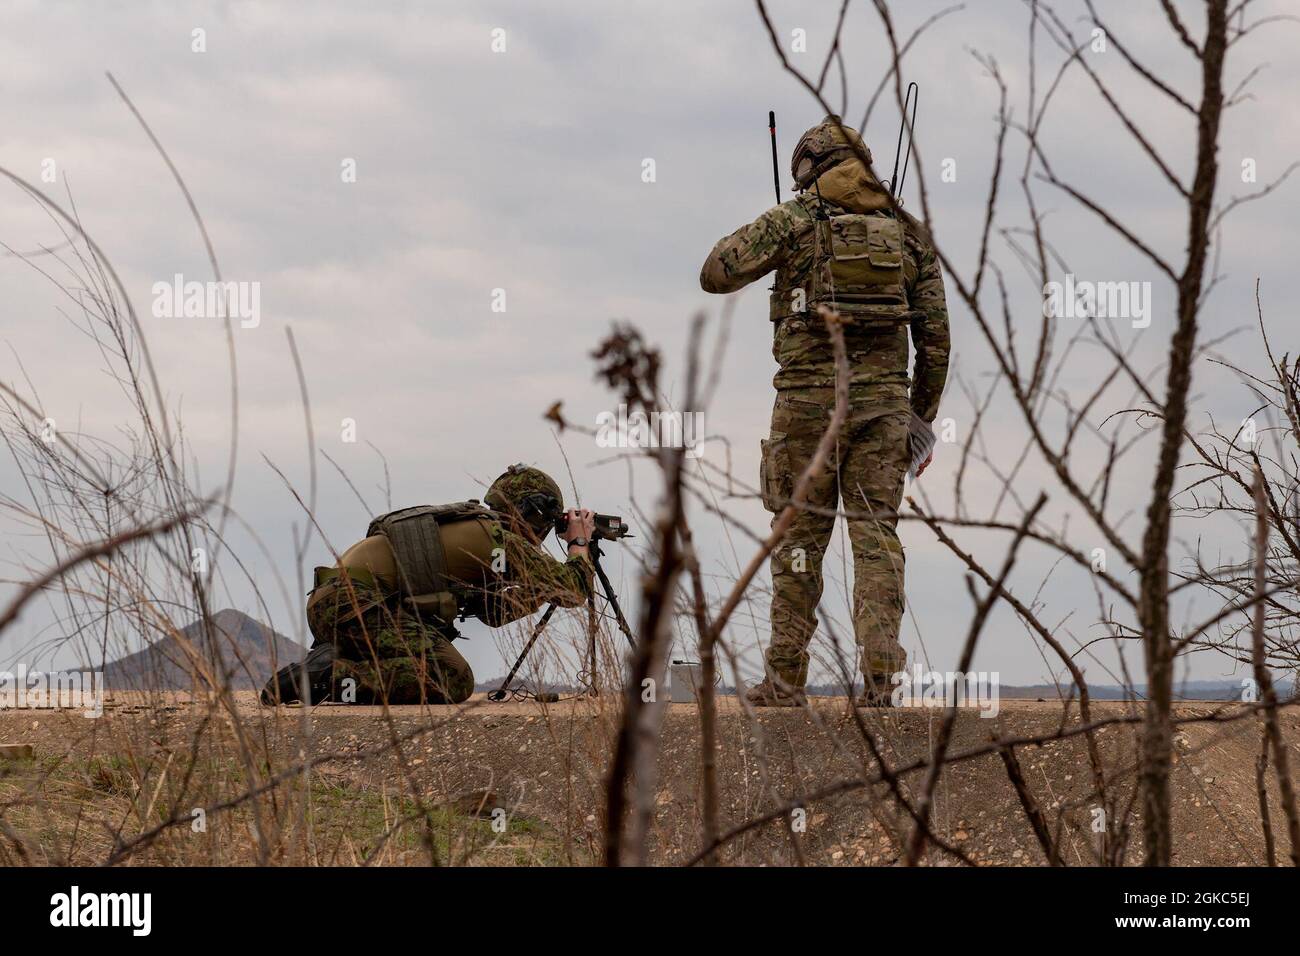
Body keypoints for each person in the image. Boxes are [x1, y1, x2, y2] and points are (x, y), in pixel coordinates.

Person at [699, 115, 950, 707]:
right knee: (876, 540)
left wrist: (780, 231)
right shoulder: (909, 234)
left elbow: (715, 272)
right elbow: (935, 342)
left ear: (811, 165)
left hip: (807, 409)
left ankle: (785, 680)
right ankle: (882, 682)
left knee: (798, 540)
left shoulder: (795, 220)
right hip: (885, 412)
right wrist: (918, 421)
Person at [261, 464, 595, 705]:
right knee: (452, 678)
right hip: (359, 606)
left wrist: (536, 592)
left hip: (336, 606)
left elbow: (492, 612)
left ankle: (338, 656)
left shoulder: (475, 529)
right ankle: (326, 677)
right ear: (532, 511)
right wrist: (578, 544)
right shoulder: (500, 540)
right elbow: (573, 589)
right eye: (548, 522)